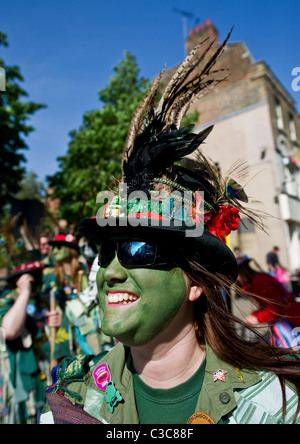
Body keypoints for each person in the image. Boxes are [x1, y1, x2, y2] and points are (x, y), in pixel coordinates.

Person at [40, 34, 300, 425]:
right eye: (107, 251)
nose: (109, 272)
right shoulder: (71, 401)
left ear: (195, 281)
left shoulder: (273, 407)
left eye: (137, 248)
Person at [0, 250, 59, 424]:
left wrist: (55, 321)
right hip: (20, 389)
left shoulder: (43, 302)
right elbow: (9, 331)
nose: (36, 282)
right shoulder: (7, 303)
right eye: (31, 278)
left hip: (45, 380)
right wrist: (24, 292)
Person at [237, 258, 300, 348]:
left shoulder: (259, 281)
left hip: (289, 318)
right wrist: (255, 315)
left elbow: (276, 307)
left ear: (241, 272)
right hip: (286, 317)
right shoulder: (256, 281)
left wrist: (257, 318)